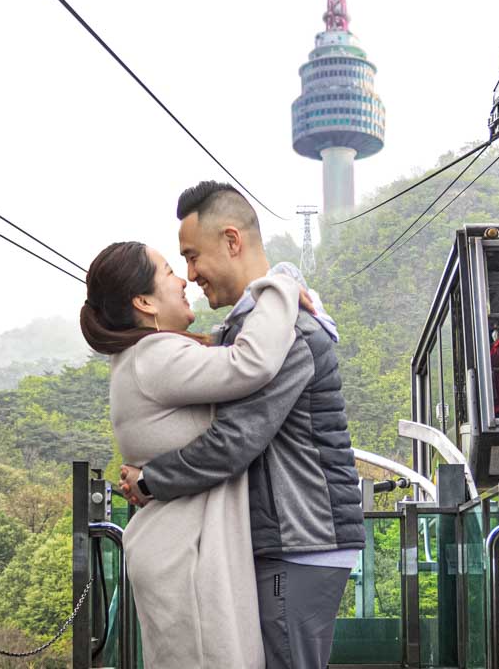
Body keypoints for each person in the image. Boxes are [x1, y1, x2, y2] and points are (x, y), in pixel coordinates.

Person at [120, 181, 363, 669]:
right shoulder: (253, 326)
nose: (190, 274)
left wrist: (152, 479)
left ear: (232, 241)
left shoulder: (287, 332)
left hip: (301, 541)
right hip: (286, 540)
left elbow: (238, 440)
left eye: (192, 256)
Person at [80, 239, 304, 667]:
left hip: (182, 552)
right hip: (186, 560)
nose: (182, 279)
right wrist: (282, 285)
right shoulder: (155, 356)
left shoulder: (146, 358)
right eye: (168, 271)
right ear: (144, 301)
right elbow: (251, 363)